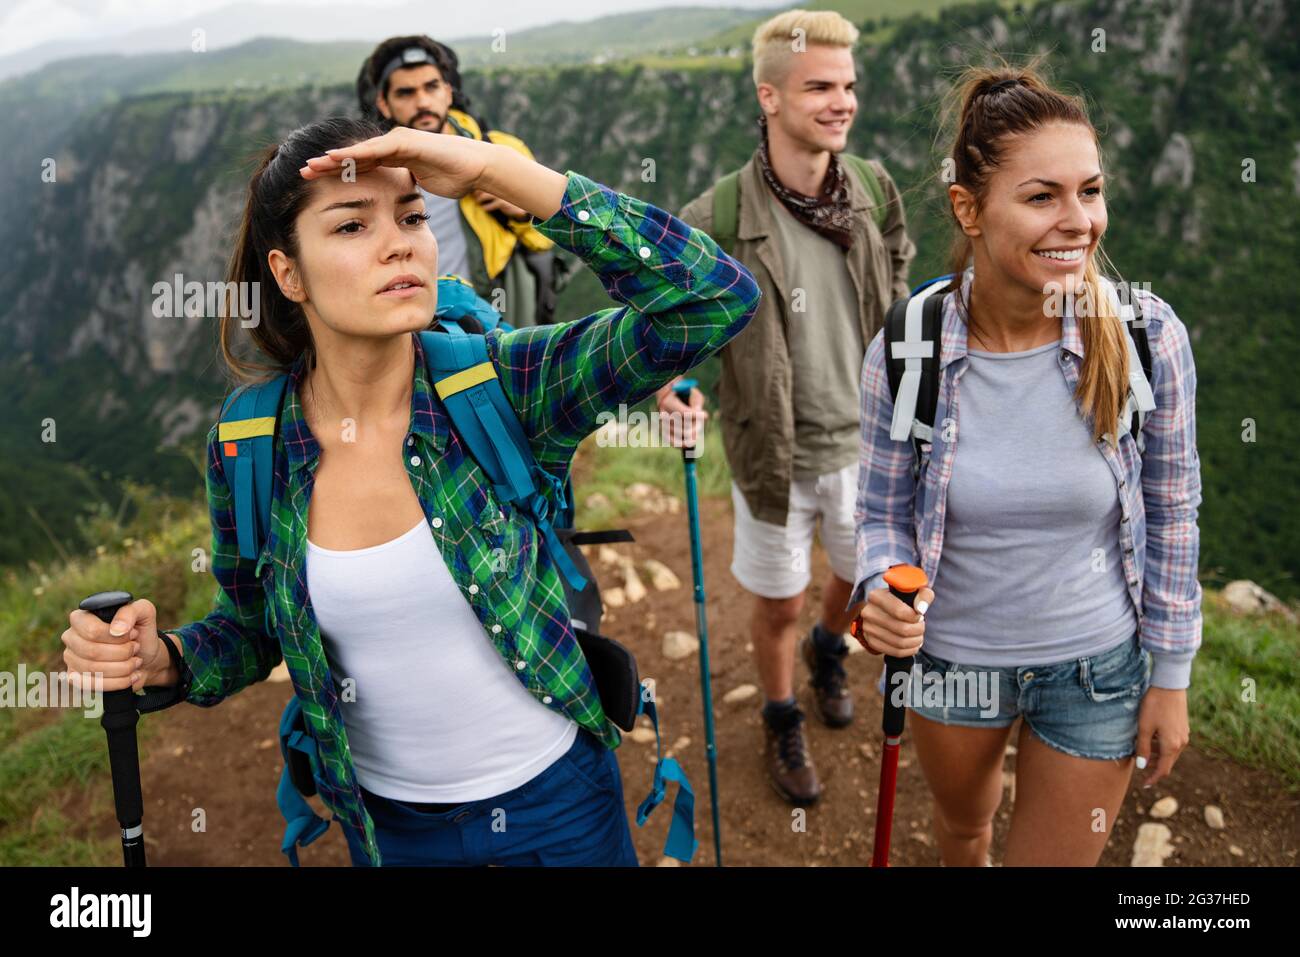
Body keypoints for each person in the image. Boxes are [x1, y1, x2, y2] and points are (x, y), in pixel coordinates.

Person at [59, 116, 759, 866]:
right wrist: (162, 656)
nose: (400, 243)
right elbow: (255, 627)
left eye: (415, 216)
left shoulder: (503, 386)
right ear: (288, 274)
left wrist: (494, 171)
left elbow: (711, 297)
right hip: (389, 832)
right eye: (353, 224)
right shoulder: (248, 444)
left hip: (561, 807)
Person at [852, 64, 1201, 866]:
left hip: (1096, 671)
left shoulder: (1148, 336)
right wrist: (879, 586)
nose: (1078, 221)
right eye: (1042, 196)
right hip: (948, 664)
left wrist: (1171, 672)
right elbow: (878, 512)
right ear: (967, 209)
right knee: (963, 831)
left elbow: (1174, 507)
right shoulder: (907, 347)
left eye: (1091, 191)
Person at [656, 9, 915, 805]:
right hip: (774, 455)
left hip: (867, 448)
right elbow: (658, 315)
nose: (841, 103)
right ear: (770, 97)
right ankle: (778, 714)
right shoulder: (720, 217)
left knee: (850, 578)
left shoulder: (871, 189)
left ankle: (828, 651)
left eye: (848, 86)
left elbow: (899, 270)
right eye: (819, 88)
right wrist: (667, 384)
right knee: (778, 602)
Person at [358, 34, 565, 327]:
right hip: (407, 317)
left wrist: (520, 210)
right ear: (384, 104)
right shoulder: (374, 168)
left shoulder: (499, 152)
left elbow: (547, 241)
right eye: (406, 93)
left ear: (448, 91)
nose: (422, 102)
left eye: (431, 87)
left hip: (485, 313)